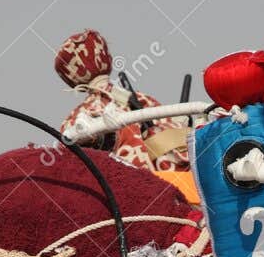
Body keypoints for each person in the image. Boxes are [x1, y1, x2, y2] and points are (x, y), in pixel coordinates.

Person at [54, 29, 189, 170]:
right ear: (107, 57)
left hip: (128, 184)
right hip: (168, 181)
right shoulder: (144, 100)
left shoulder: (75, 117)